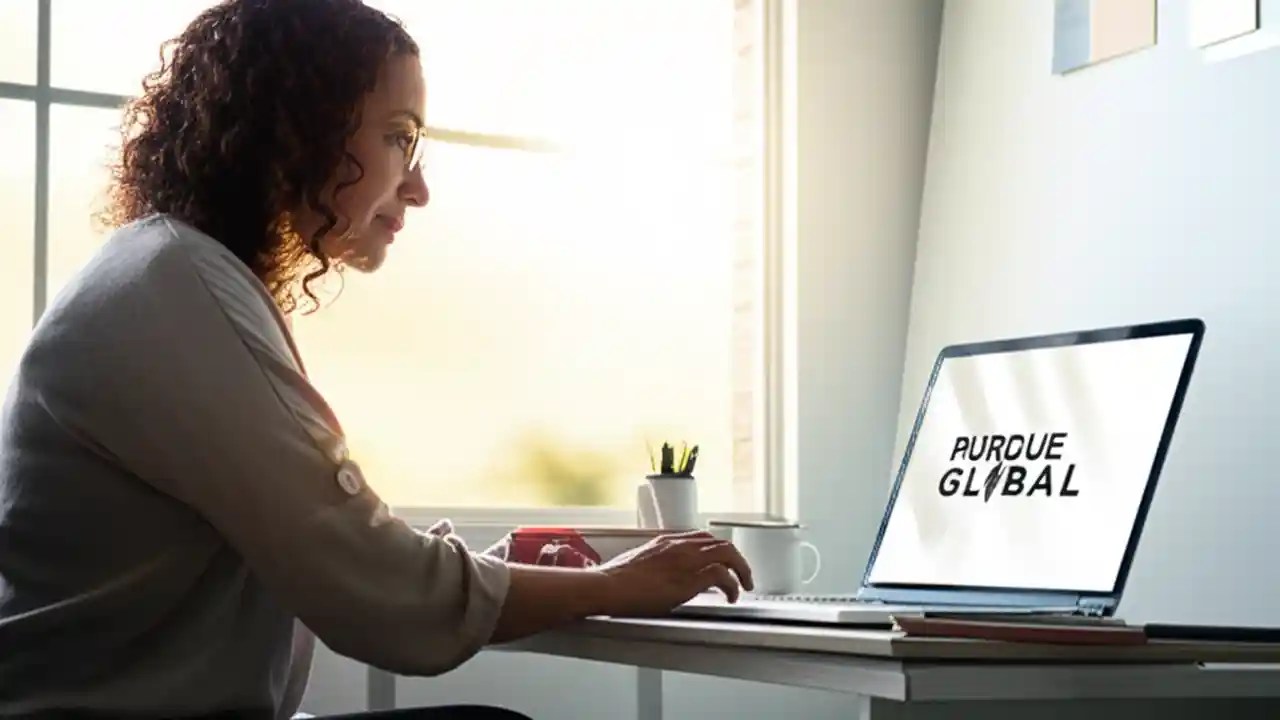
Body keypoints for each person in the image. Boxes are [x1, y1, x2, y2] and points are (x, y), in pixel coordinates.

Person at [0, 1, 753, 718]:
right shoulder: (177, 289)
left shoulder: (170, 275)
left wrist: (501, 573)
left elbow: (346, 563)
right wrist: (615, 584)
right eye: (398, 136)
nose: (418, 187)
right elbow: (376, 600)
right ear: (299, 131)